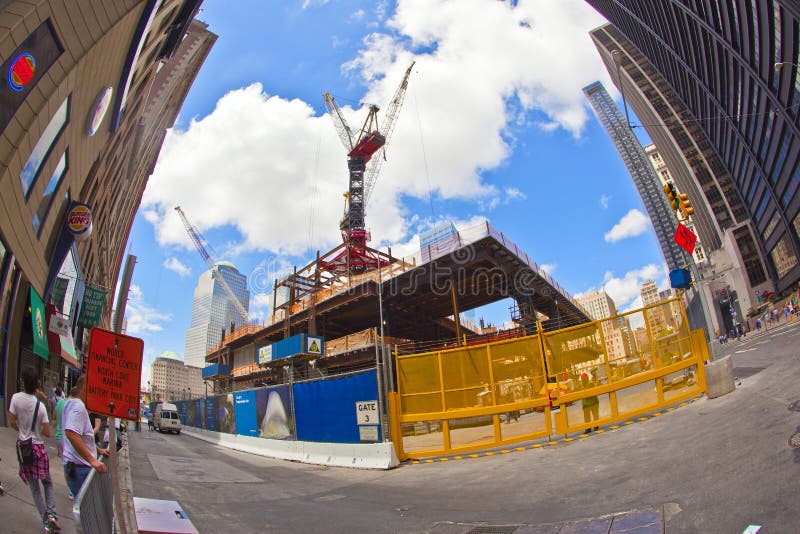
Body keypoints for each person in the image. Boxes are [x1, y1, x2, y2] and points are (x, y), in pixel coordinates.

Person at [8, 367, 60, 532]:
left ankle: (46, 523)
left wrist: (23, 432)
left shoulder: (15, 398)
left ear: (23, 382)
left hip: (24, 448)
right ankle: (51, 514)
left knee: (35, 488)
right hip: (38, 448)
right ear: (37, 385)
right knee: (47, 482)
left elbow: (11, 421)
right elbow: (47, 432)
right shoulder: (40, 406)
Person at [62, 375, 109, 499]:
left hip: (77, 467)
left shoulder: (72, 404)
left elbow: (82, 437)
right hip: (79, 468)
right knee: (86, 512)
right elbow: (71, 433)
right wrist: (92, 460)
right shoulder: (78, 407)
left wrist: (98, 450)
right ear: (85, 390)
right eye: (94, 391)